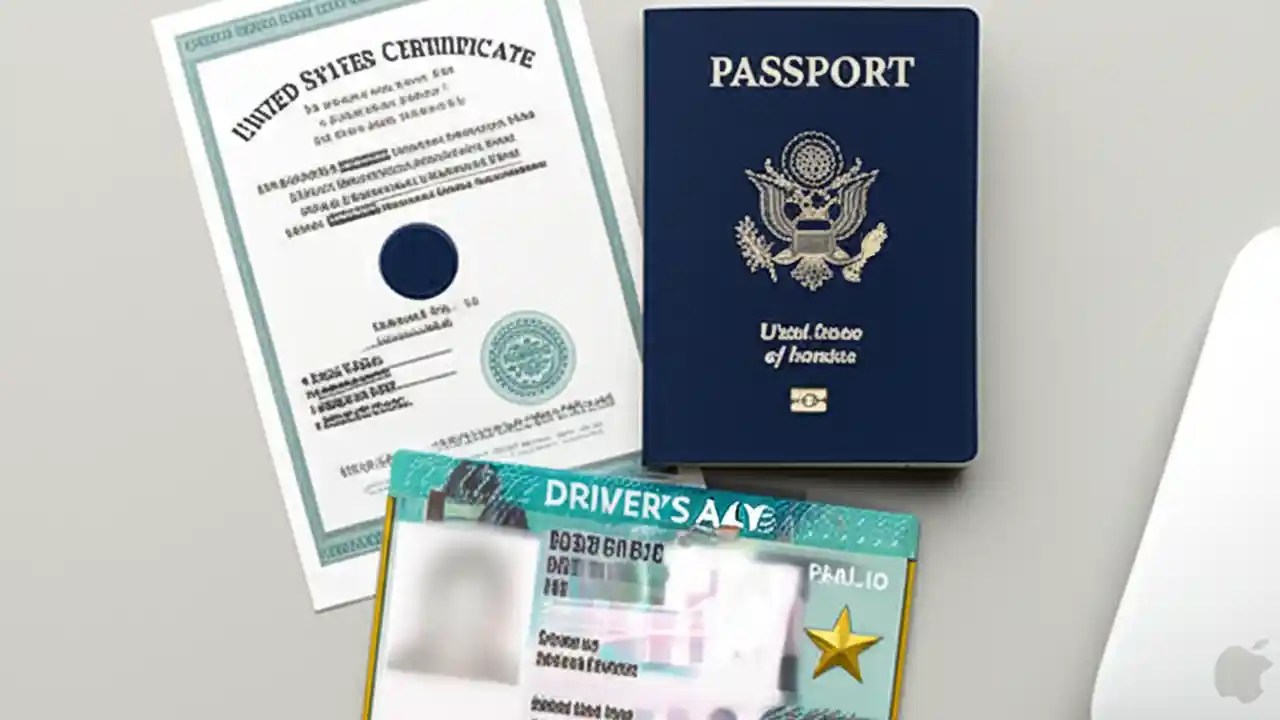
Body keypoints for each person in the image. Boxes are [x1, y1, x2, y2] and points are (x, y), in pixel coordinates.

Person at [391, 539, 520, 685]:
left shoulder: (511, 679)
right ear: (431, 609)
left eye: (476, 614)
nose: (464, 628)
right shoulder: (396, 671)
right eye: (457, 611)